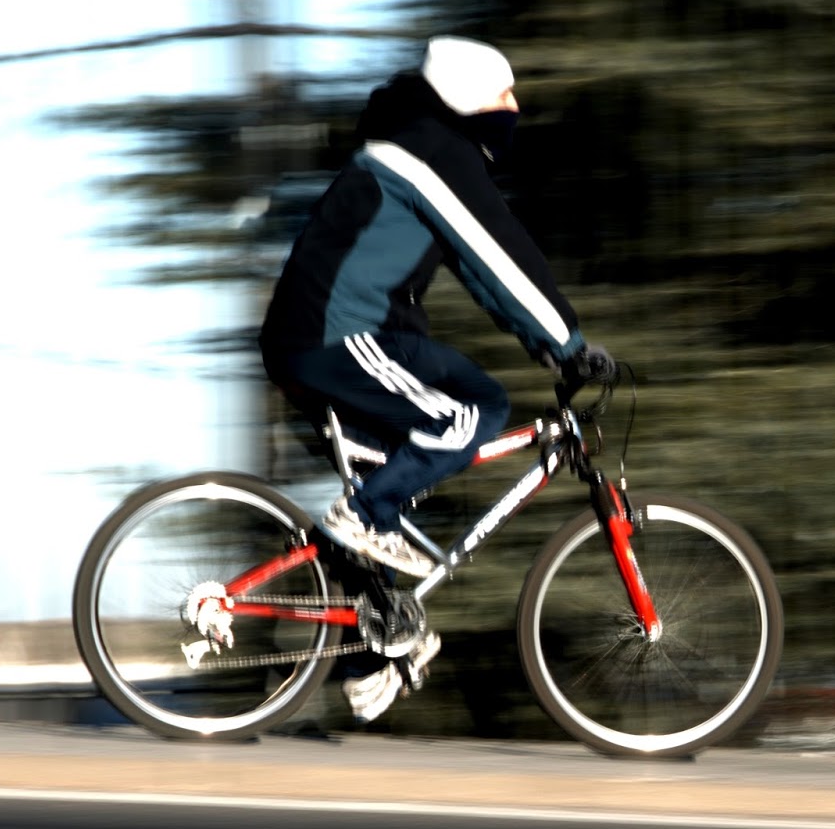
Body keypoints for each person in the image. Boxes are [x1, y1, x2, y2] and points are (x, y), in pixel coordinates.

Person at [258, 35, 614, 722]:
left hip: (322, 339)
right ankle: (361, 517)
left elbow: (481, 275)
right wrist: (567, 344)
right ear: (471, 98)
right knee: (475, 406)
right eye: (506, 95)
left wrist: (542, 344)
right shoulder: (431, 151)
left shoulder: (419, 150)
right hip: (337, 336)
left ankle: (372, 649)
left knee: (397, 478)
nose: (516, 107)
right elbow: (499, 250)